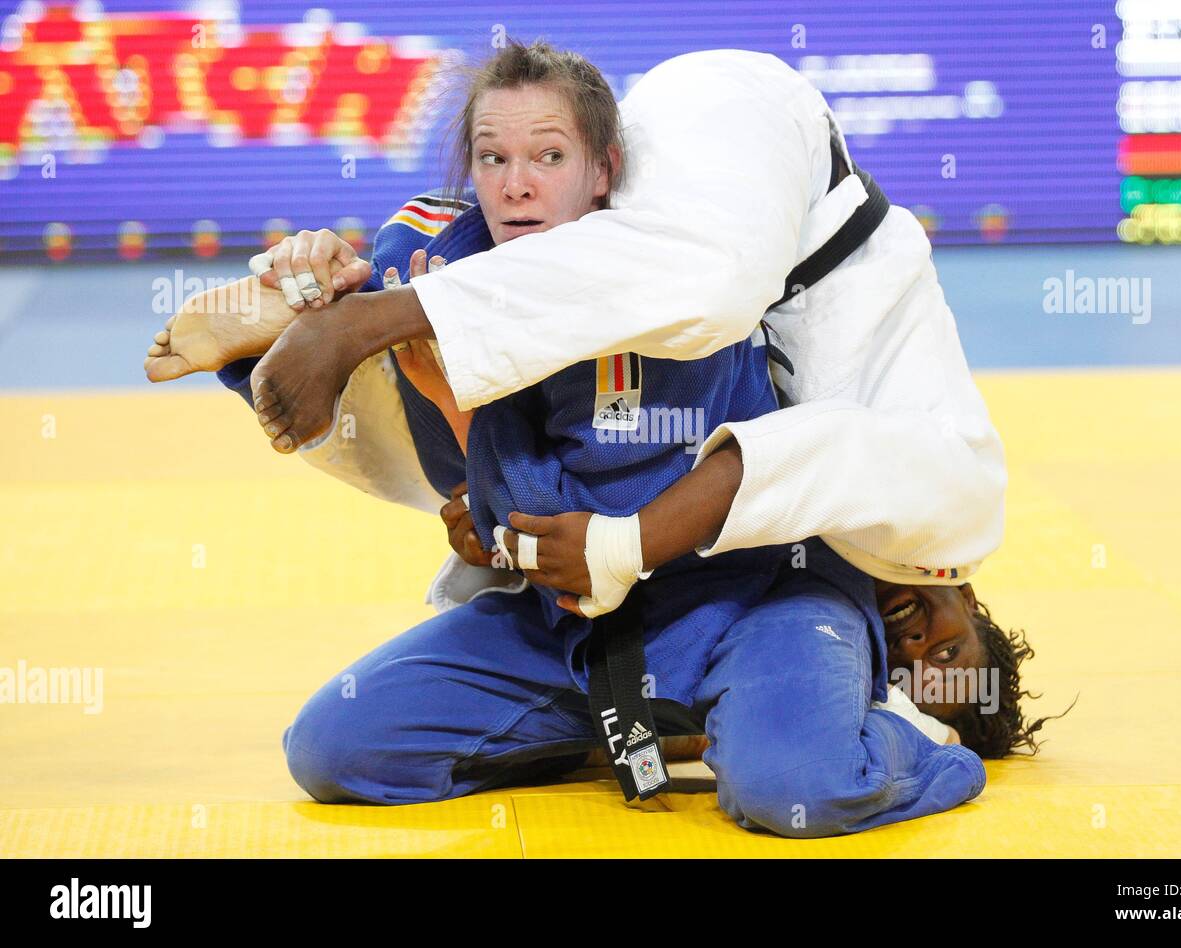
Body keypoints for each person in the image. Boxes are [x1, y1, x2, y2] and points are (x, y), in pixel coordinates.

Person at [143, 41, 1047, 834]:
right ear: (968, 595)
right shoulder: (955, 501)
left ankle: (852, 739)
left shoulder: (700, 323)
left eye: (920, 673)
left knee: (794, 784)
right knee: (335, 751)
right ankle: (351, 306)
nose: (923, 643)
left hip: (738, 603)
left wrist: (519, 524)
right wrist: (346, 293)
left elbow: (762, 463)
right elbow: (806, 445)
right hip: (596, 591)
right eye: (953, 647)